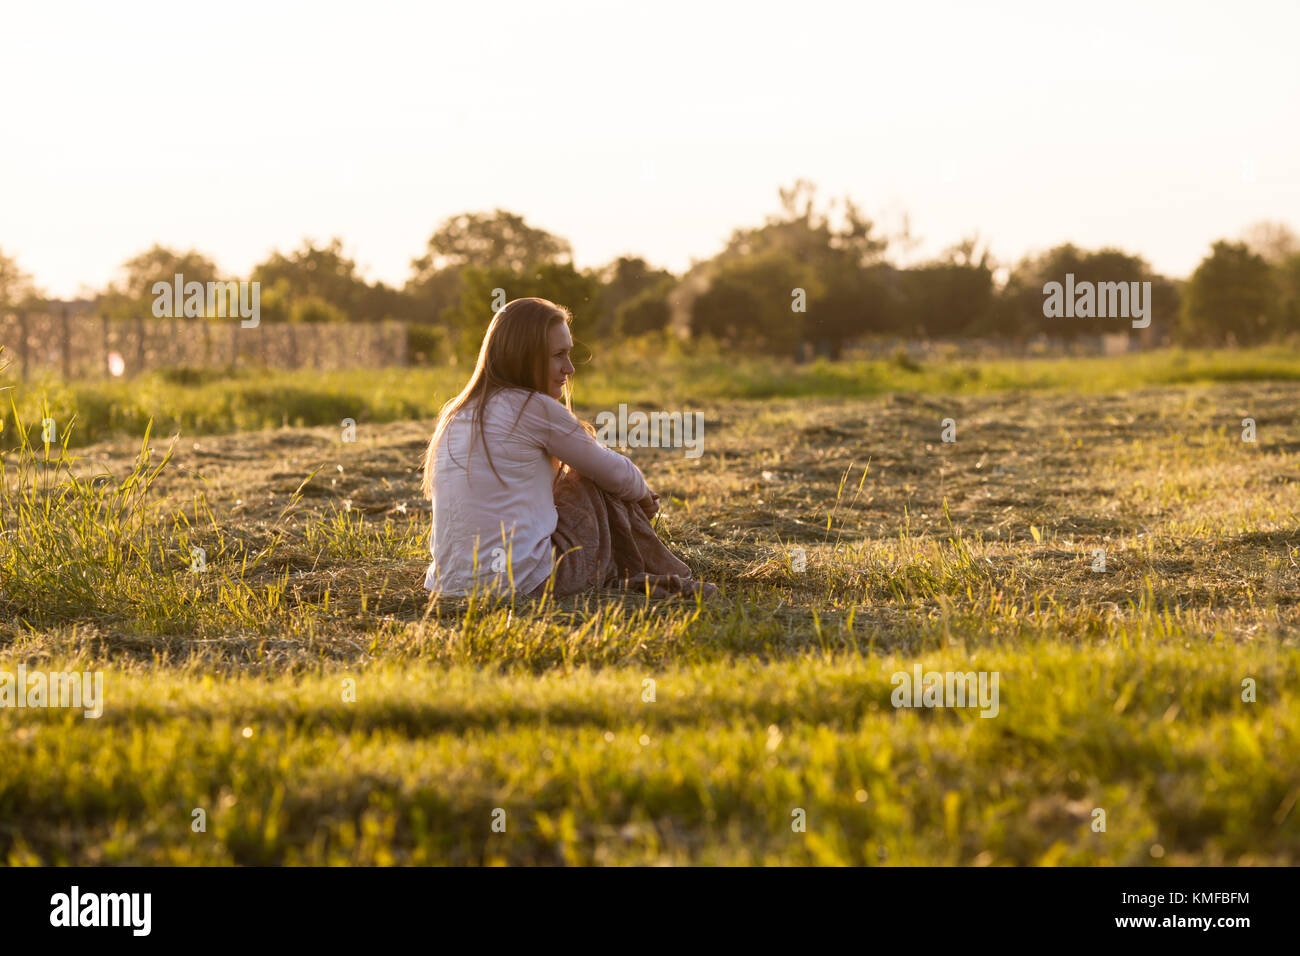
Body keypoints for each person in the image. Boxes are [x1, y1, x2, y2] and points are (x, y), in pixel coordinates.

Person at [420, 297, 718, 601]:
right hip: (525, 584)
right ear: (524, 357)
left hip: (446, 586)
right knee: (590, 479)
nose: (570, 368)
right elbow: (615, 472)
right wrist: (643, 497)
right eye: (558, 355)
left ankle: (637, 571)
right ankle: (654, 571)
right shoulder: (531, 408)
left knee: (588, 472)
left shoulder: (455, 413)